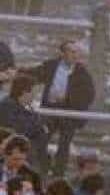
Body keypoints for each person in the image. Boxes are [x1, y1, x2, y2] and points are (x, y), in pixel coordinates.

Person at [19, 40, 94, 176]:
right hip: (50, 111)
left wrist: (67, 98)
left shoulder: (82, 72)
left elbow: (88, 94)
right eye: (72, 52)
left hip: (69, 114)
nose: (75, 55)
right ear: (62, 53)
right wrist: (17, 71)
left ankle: (58, 174)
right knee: (41, 139)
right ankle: (42, 168)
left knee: (64, 146)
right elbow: (36, 73)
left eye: (77, 52)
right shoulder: (52, 66)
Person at [0, 75, 48, 170]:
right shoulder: (7, 106)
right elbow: (21, 130)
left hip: (28, 153)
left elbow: (35, 125)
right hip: (14, 154)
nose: (34, 96)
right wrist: (40, 127)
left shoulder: (24, 107)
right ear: (24, 92)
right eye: (33, 92)